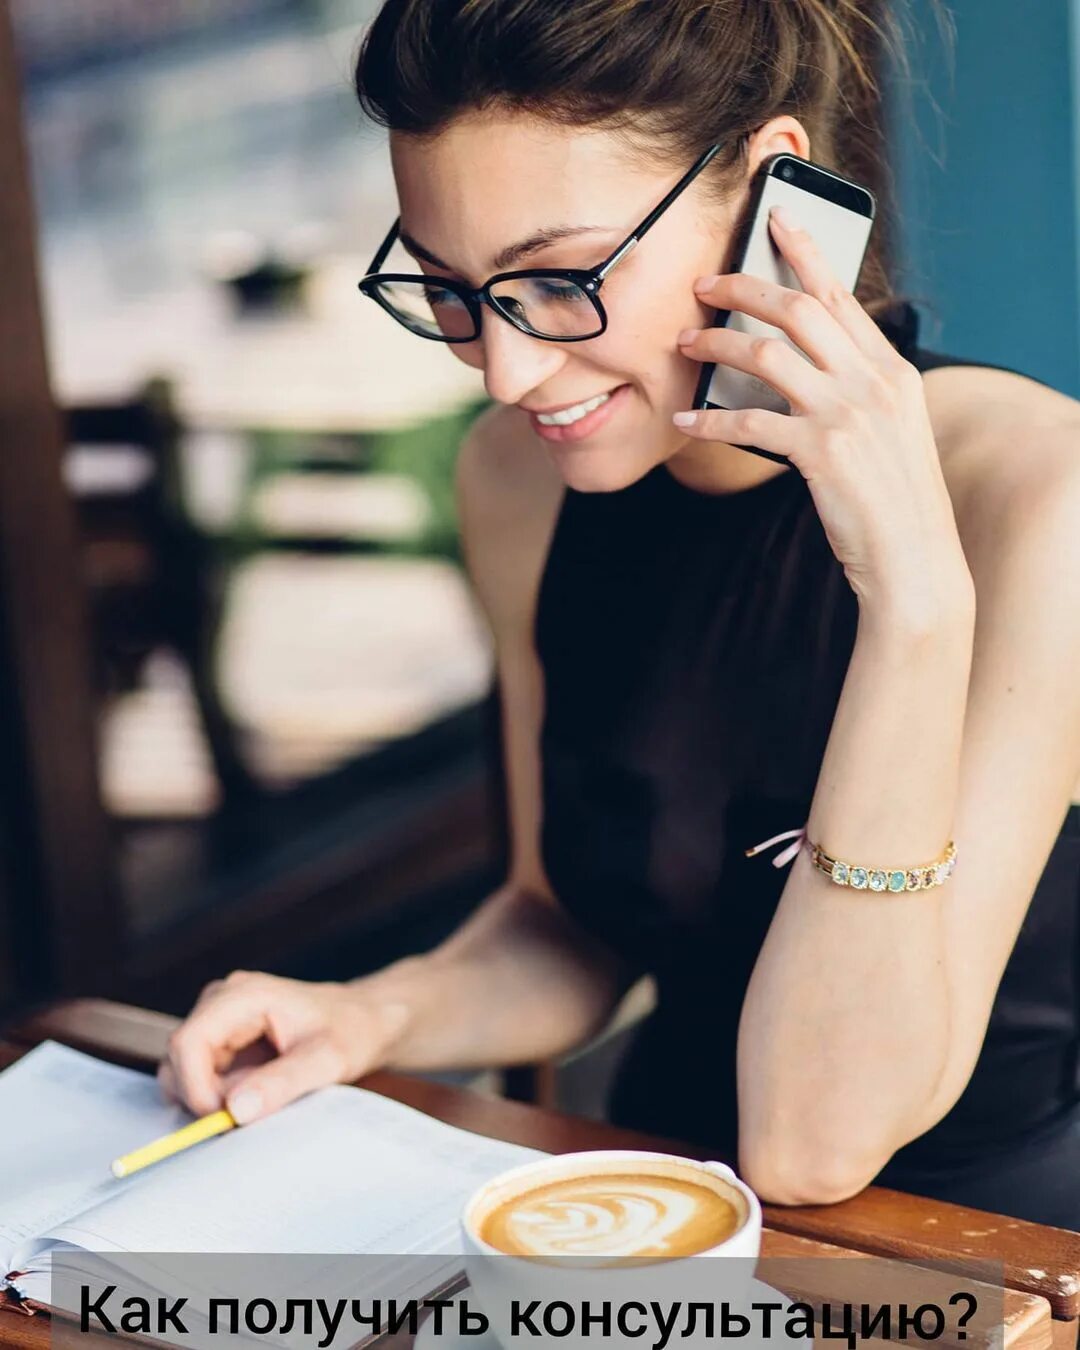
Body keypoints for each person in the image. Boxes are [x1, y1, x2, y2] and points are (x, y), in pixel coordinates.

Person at [159, 0, 1080, 1227]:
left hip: (983, 1257)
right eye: (447, 288)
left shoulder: (1038, 501)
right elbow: (563, 924)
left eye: (560, 280)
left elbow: (814, 1146)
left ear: (774, 193)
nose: (507, 370)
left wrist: (911, 603)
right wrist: (370, 1014)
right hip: (641, 1203)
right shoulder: (517, 481)